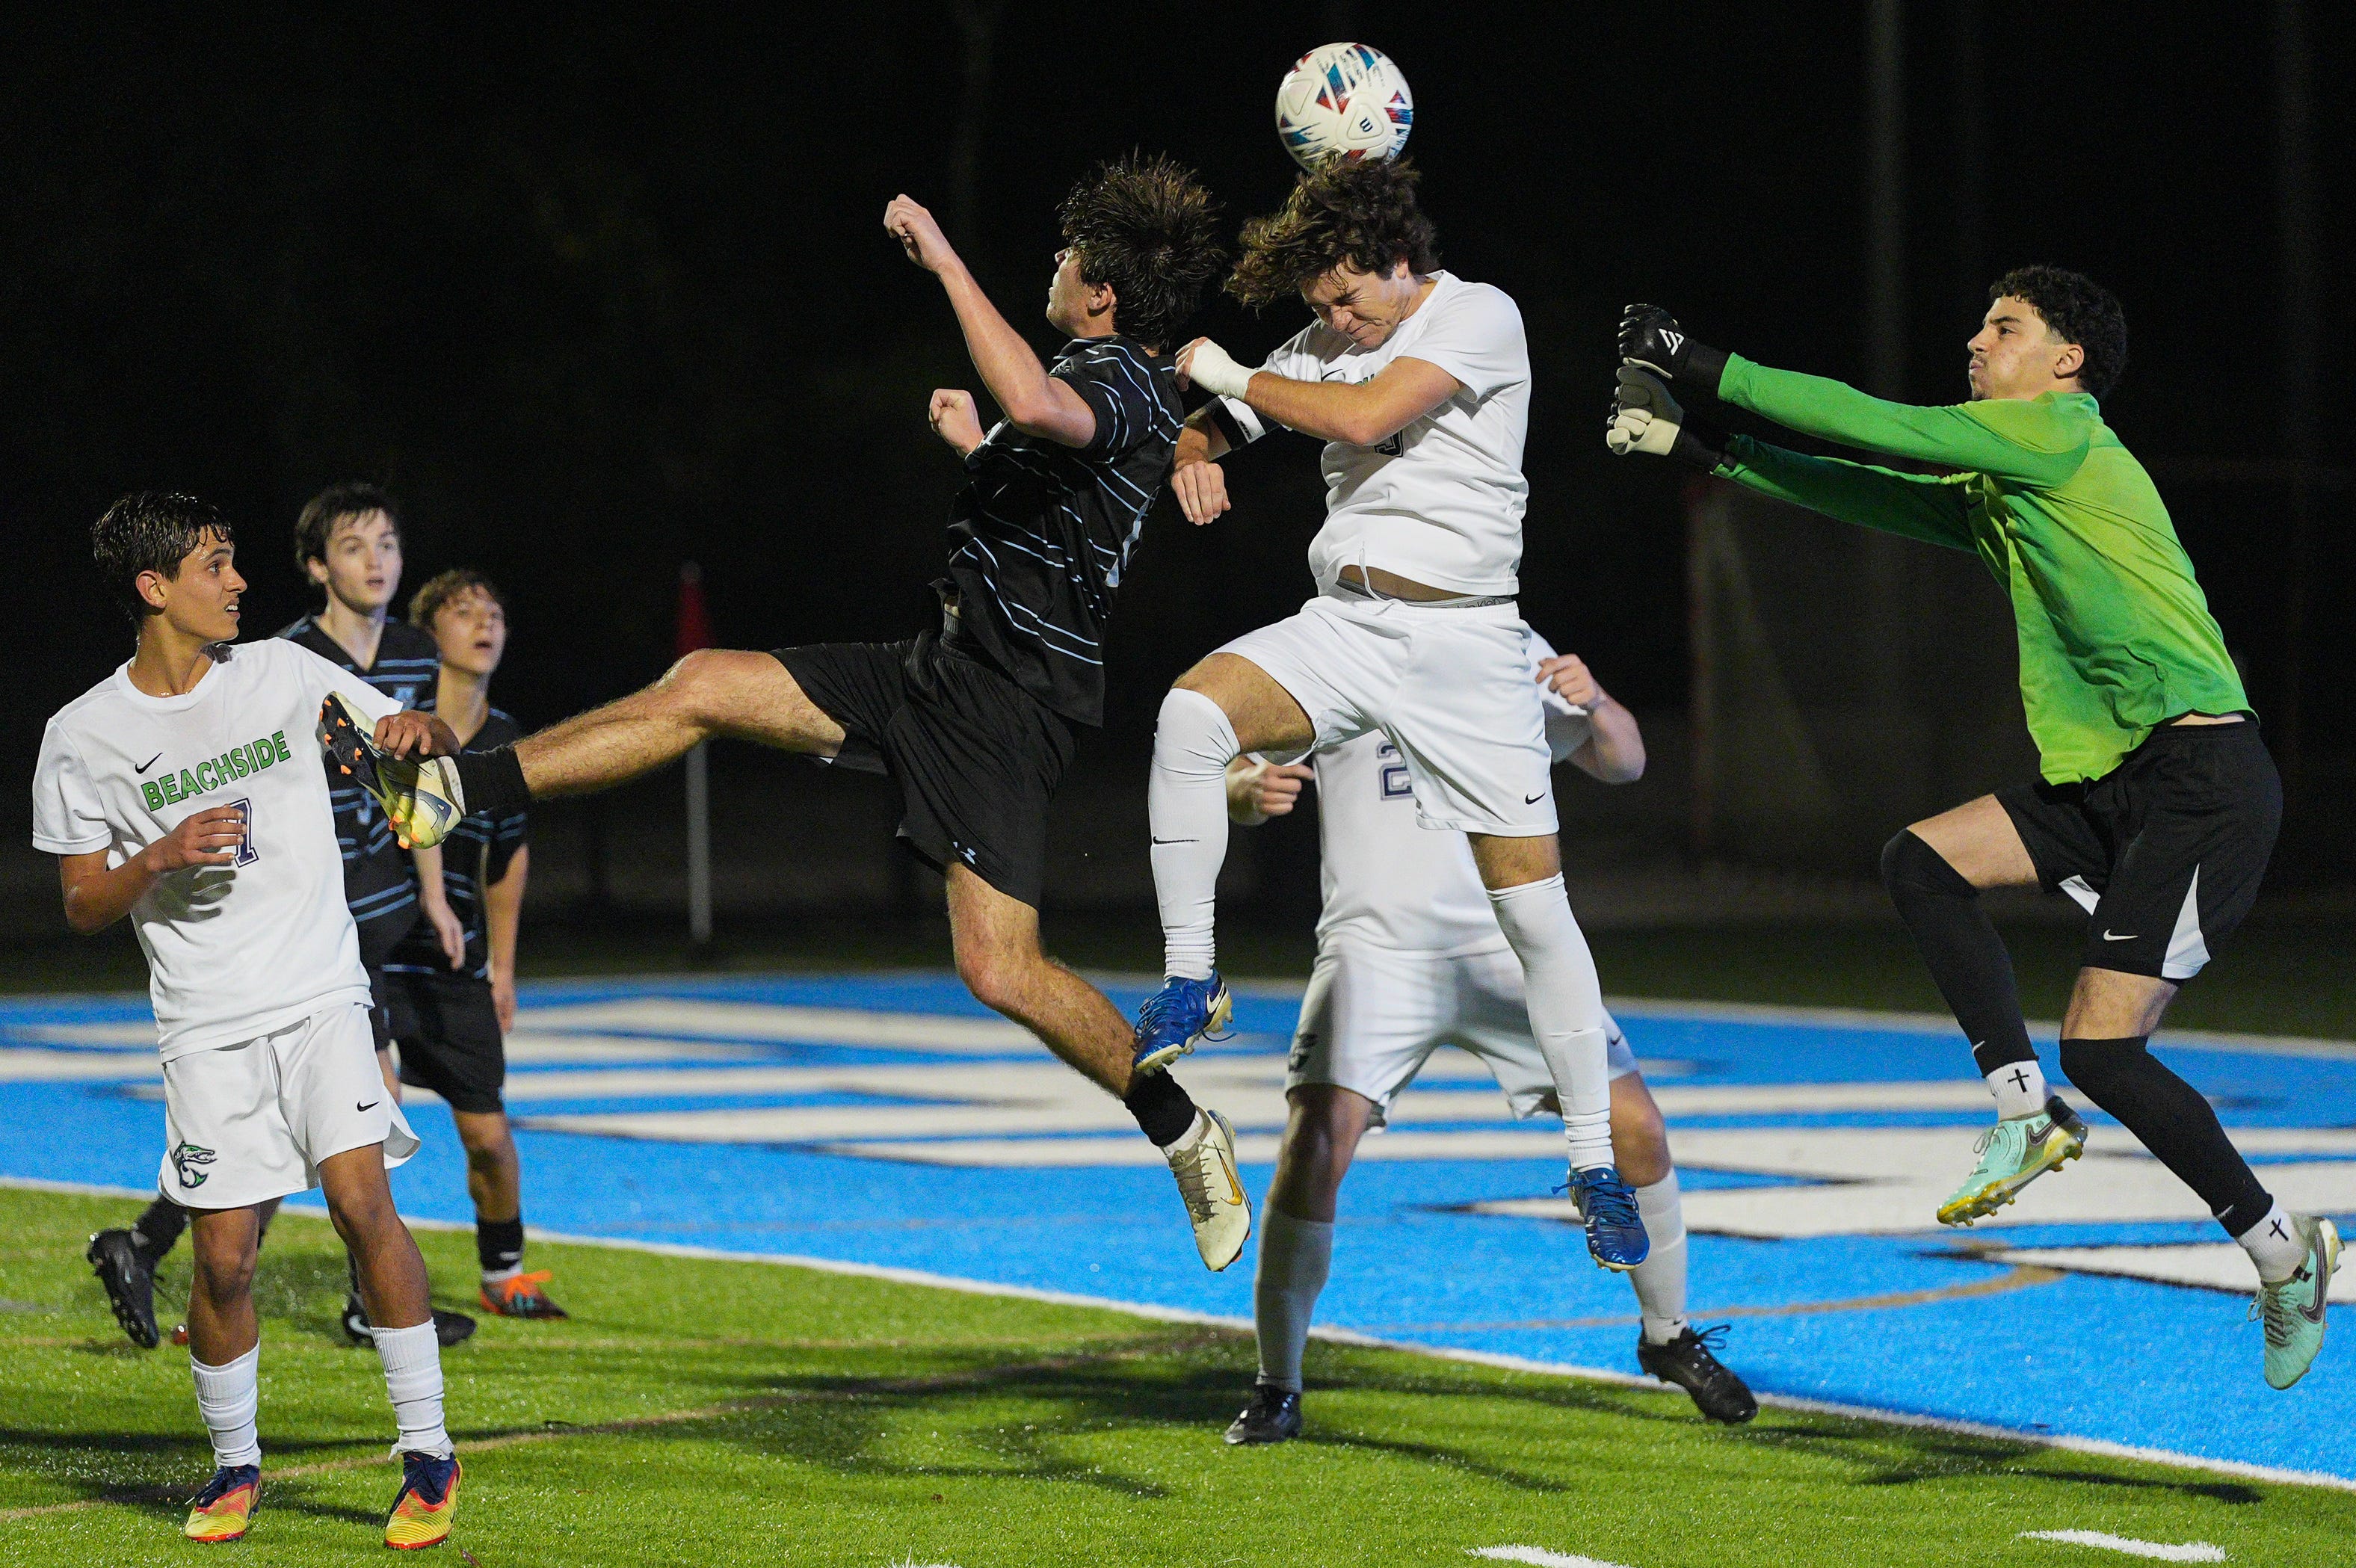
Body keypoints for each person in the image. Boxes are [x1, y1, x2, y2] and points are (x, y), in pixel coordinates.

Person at [333, 155, 1259, 1271]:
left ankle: (1182, 1127)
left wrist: (948, 264)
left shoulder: (1113, 376)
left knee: (1000, 967)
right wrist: (981, 449)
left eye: (1065, 261)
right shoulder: (1108, 383)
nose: (1051, 272)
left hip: (1004, 710)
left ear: (1103, 290)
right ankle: (454, 790)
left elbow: (1041, 404)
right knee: (703, 686)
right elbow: (1054, 490)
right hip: (939, 669)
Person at [1604, 268, 2334, 1389]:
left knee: (2105, 1049)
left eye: (2007, 328)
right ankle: (2022, 1112)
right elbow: (1874, 491)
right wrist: (1706, 451)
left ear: (2066, 362)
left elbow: (1878, 426)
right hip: (2113, 780)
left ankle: (2283, 1254)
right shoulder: (2012, 482)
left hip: (2204, 780)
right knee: (1922, 860)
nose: (1977, 340)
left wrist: (1702, 366)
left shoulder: (2061, 436)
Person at [1129, 156, 1647, 1271]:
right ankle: (1190, 976)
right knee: (1188, 719)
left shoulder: (1480, 316)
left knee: (1537, 914)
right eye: (1320, 307)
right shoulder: (1329, 339)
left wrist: (1231, 372)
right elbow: (1222, 420)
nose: (1338, 320)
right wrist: (1189, 445)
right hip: (1349, 626)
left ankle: (1594, 1162)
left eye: (1351, 297)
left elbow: (1364, 414)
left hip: (1467, 643)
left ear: (1402, 263)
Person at [34, 493, 461, 1547]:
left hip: (321, 989)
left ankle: (429, 1454)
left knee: (365, 1201)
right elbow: (85, 903)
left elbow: (425, 740)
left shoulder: (285, 674)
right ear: (154, 587)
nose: (236, 583)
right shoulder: (82, 734)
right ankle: (234, 1466)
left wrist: (418, 726)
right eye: (216, 566)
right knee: (223, 1256)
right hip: (204, 1019)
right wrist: (161, 853)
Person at [1221, 638, 1754, 1442]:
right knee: (1313, 1150)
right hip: (1376, 951)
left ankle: (1667, 1336)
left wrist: (1599, 701)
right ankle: (1276, 1385)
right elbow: (1228, 768)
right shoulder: (1327, 642)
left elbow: (1623, 762)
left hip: (1509, 942)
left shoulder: (1507, 641)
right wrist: (1244, 789)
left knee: (1635, 1126)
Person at [87, 484, 476, 1349]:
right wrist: (160, 852)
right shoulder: (277, 657)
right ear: (318, 566)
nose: (377, 561)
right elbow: (90, 888)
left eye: (388, 543)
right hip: (270, 947)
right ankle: (186, 1264)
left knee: (346, 1150)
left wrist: (436, 878)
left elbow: (420, 778)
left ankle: (156, 1247)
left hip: (349, 921)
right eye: (354, 546)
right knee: (312, 1148)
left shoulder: (406, 653)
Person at [385, 569, 561, 1318]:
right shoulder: (391, 719)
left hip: (454, 965)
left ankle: (503, 1275)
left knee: (488, 1135)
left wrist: (505, 968)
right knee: (356, 1131)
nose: (483, 623)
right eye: (464, 612)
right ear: (430, 636)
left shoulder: (506, 739)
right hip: (374, 953)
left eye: (493, 612)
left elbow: (507, 857)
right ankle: (367, 1290)